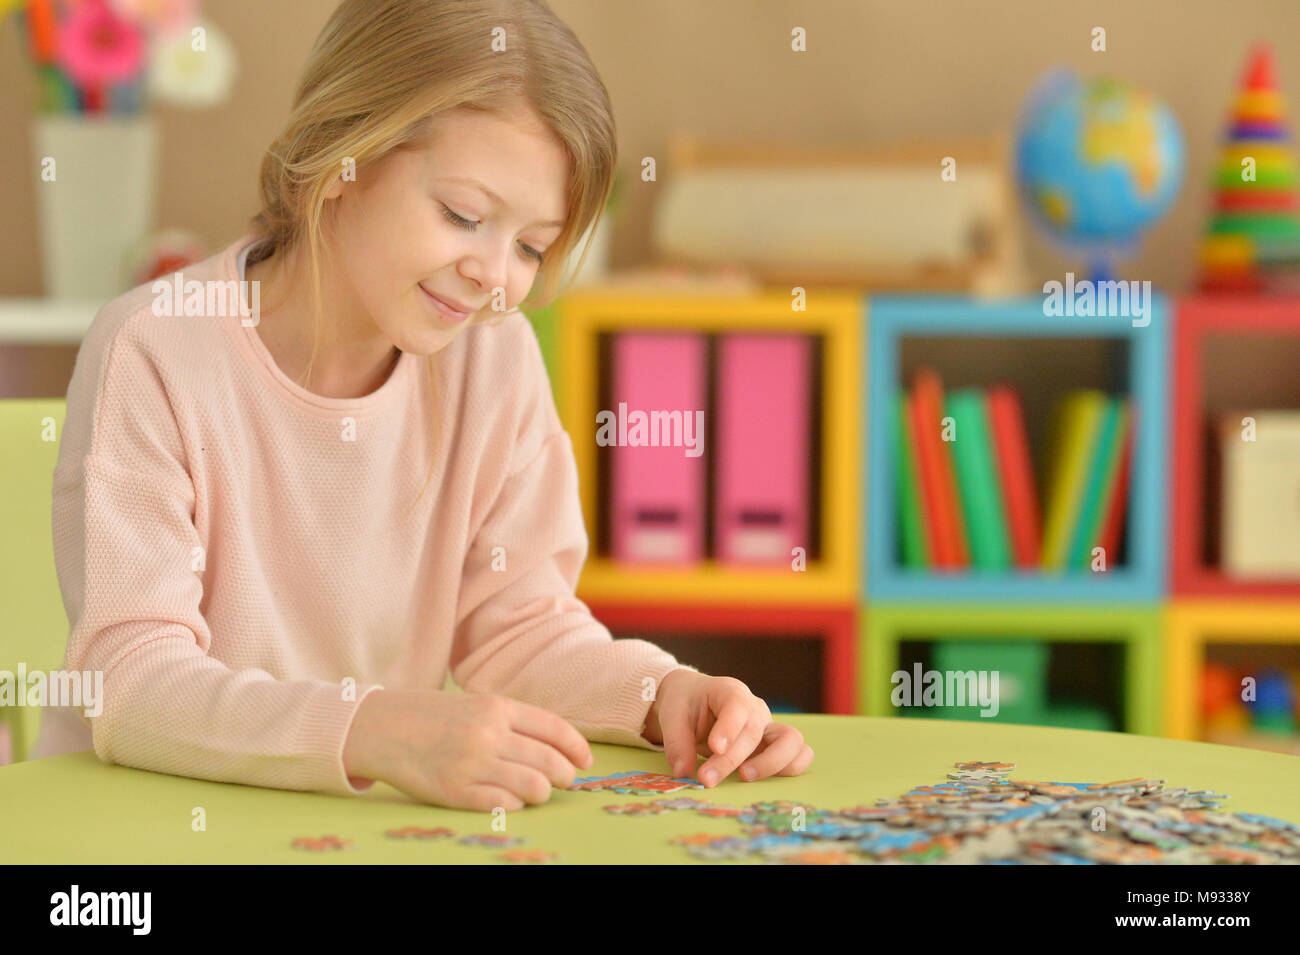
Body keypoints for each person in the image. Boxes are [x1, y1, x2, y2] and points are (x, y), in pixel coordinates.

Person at [34, 0, 812, 811]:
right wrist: (372, 729)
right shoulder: (154, 350)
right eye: (464, 216)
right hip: (135, 830)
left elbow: (520, 629)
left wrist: (663, 696)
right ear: (345, 156)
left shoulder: (496, 359)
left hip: (341, 833)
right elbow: (130, 681)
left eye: (531, 246)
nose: (496, 275)